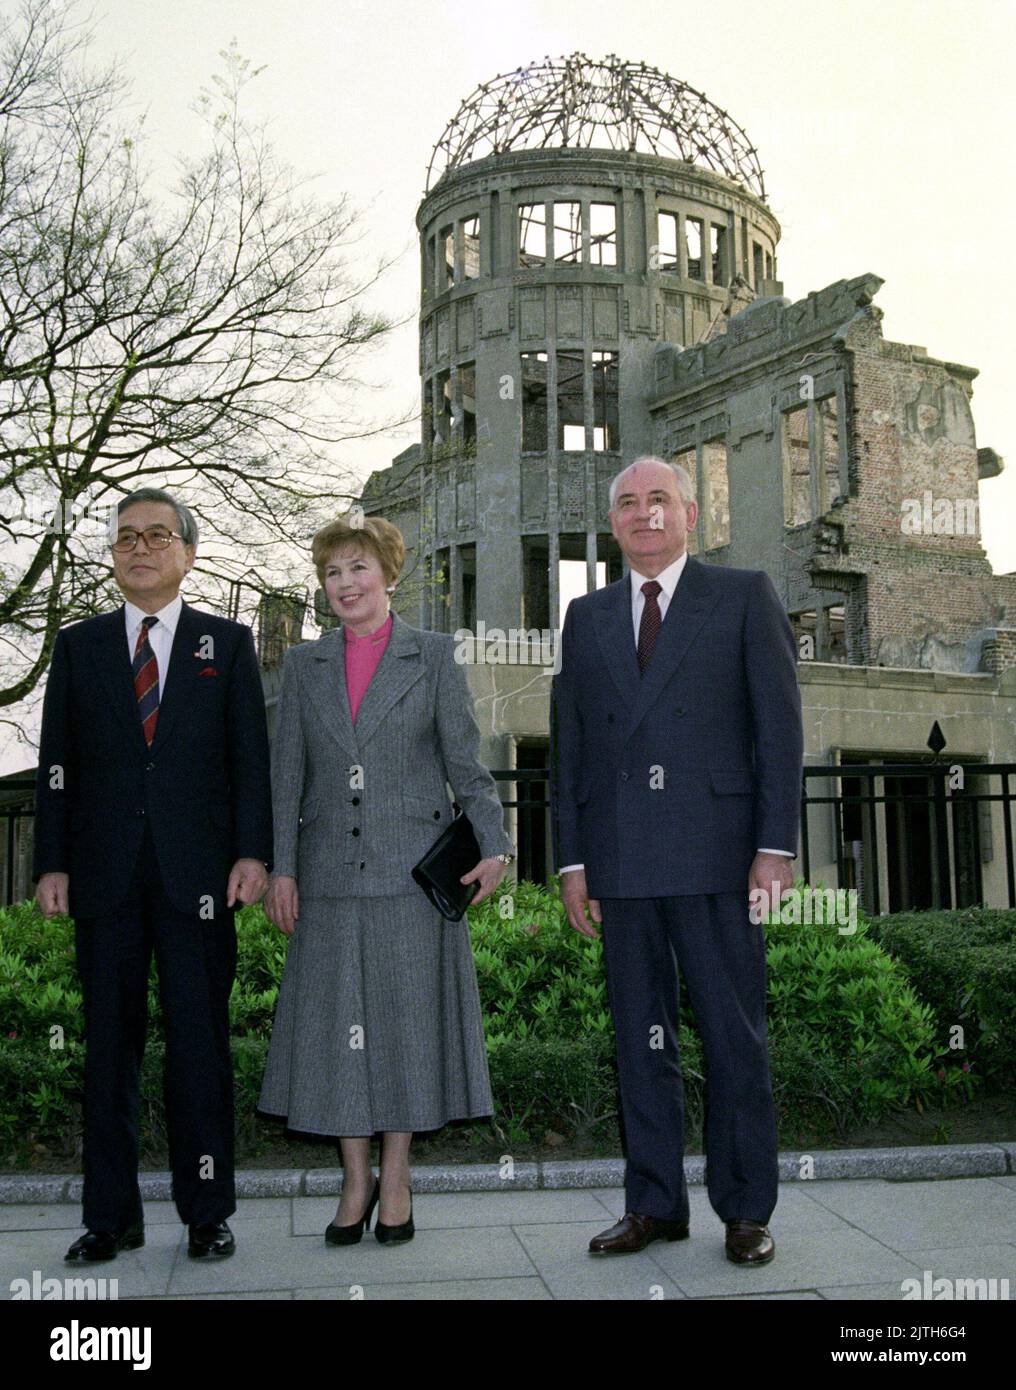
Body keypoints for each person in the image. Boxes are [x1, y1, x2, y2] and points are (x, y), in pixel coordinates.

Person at [549, 455, 803, 1264]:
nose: (644, 515)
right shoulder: (585, 617)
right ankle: (653, 1204)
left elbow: (779, 730)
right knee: (641, 1041)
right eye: (628, 503)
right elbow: (572, 751)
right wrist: (572, 862)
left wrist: (774, 846)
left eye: (660, 501)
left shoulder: (741, 595)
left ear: (690, 514)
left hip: (721, 858)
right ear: (613, 522)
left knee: (734, 1040)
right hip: (622, 864)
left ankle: (744, 1211)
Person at [259, 514, 515, 1245]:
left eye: (358, 569)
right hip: (328, 877)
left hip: (411, 880)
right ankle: (354, 1179)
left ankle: (396, 1176)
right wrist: (282, 867)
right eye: (333, 572)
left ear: (389, 576)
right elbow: (286, 782)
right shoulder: (305, 667)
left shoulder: (433, 656)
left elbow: (466, 762)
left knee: (403, 1031)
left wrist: (494, 844)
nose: (345, 584)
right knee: (338, 1038)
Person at [33, 487, 273, 1263]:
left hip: (199, 882)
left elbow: (250, 765)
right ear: (112, 555)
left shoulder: (226, 645)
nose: (140, 548)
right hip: (103, 880)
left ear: (188, 553)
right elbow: (56, 767)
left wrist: (253, 854)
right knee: (109, 1050)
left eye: (158, 535)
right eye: (126, 537)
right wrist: (50, 864)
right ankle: (110, 1219)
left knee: (199, 1047)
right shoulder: (78, 648)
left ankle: (207, 1212)